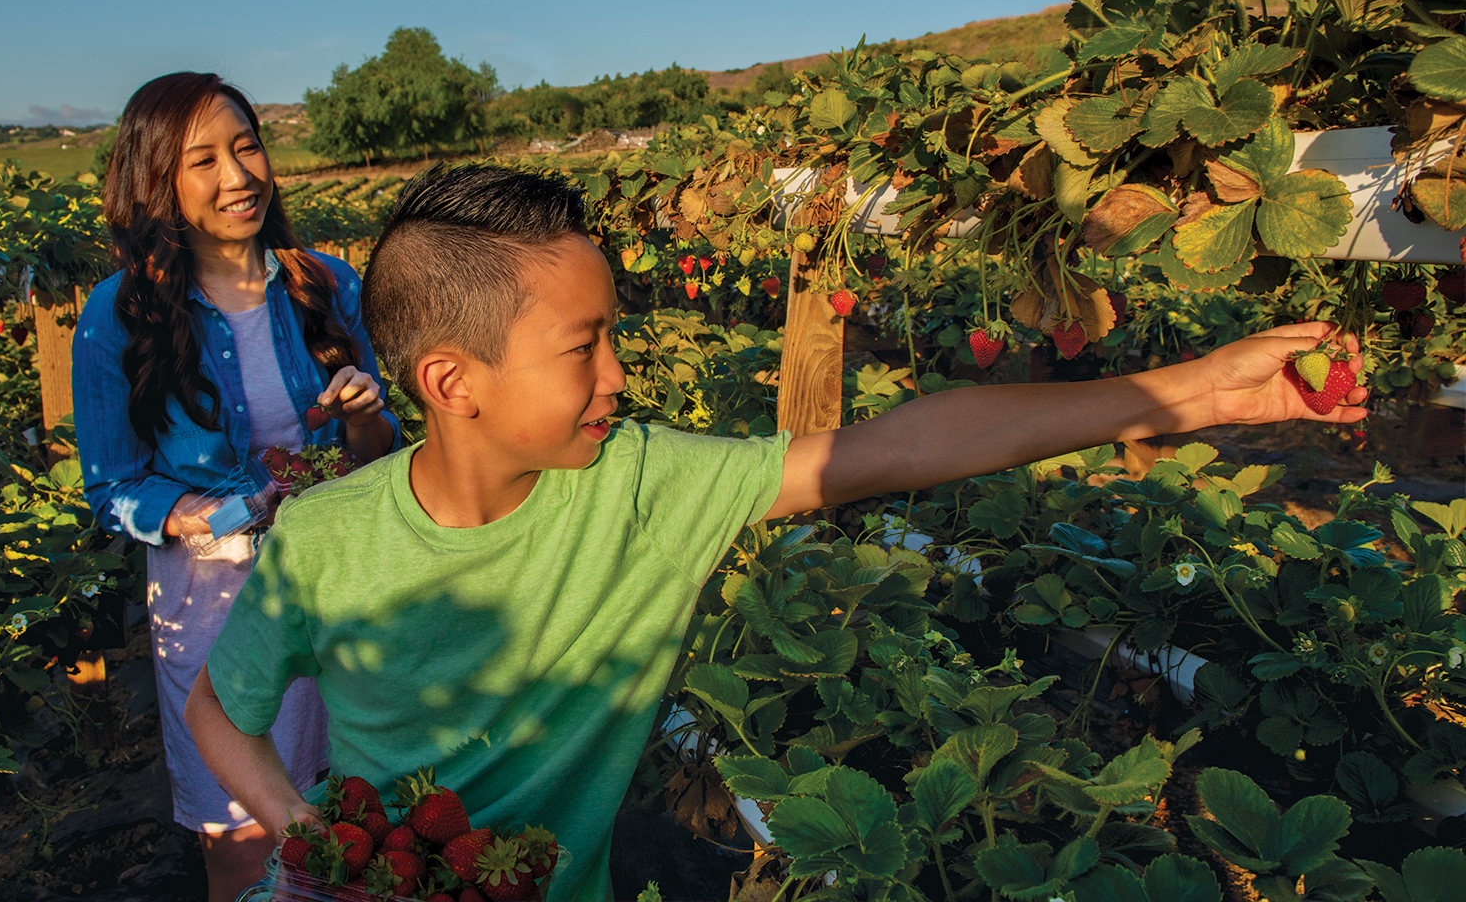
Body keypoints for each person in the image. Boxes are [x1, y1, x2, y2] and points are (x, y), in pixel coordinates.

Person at [185, 165, 1368, 900]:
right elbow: (215, 713)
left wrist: (1204, 391)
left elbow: (901, 444)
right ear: (453, 380)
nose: (619, 371)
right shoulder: (329, 536)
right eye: (582, 344)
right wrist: (311, 835)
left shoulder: (641, 482)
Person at [73, 72, 399, 901]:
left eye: (247, 145)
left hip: (336, 586)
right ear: (158, 182)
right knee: (246, 846)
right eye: (204, 160)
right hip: (213, 601)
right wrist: (194, 515)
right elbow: (110, 486)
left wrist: (363, 412)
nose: (238, 176)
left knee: (352, 821)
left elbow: (379, 457)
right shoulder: (119, 315)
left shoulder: (323, 284)